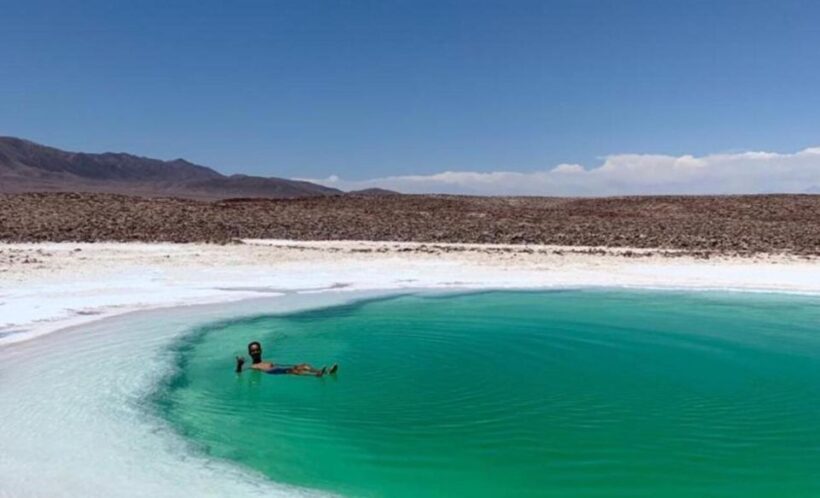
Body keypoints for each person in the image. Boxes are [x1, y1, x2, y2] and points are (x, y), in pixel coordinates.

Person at [235, 341, 338, 376]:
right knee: (294, 371)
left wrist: (292, 365)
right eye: (253, 351)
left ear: (261, 350)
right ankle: (316, 375)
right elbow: (239, 372)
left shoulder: (266, 361)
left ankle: (325, 371)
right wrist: (239, 365)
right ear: (250, 353)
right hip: (273, 372)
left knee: (304, 365)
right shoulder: (253, 366)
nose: (255, 352)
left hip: (279, 368)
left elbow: (279, 365)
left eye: (257, 350)